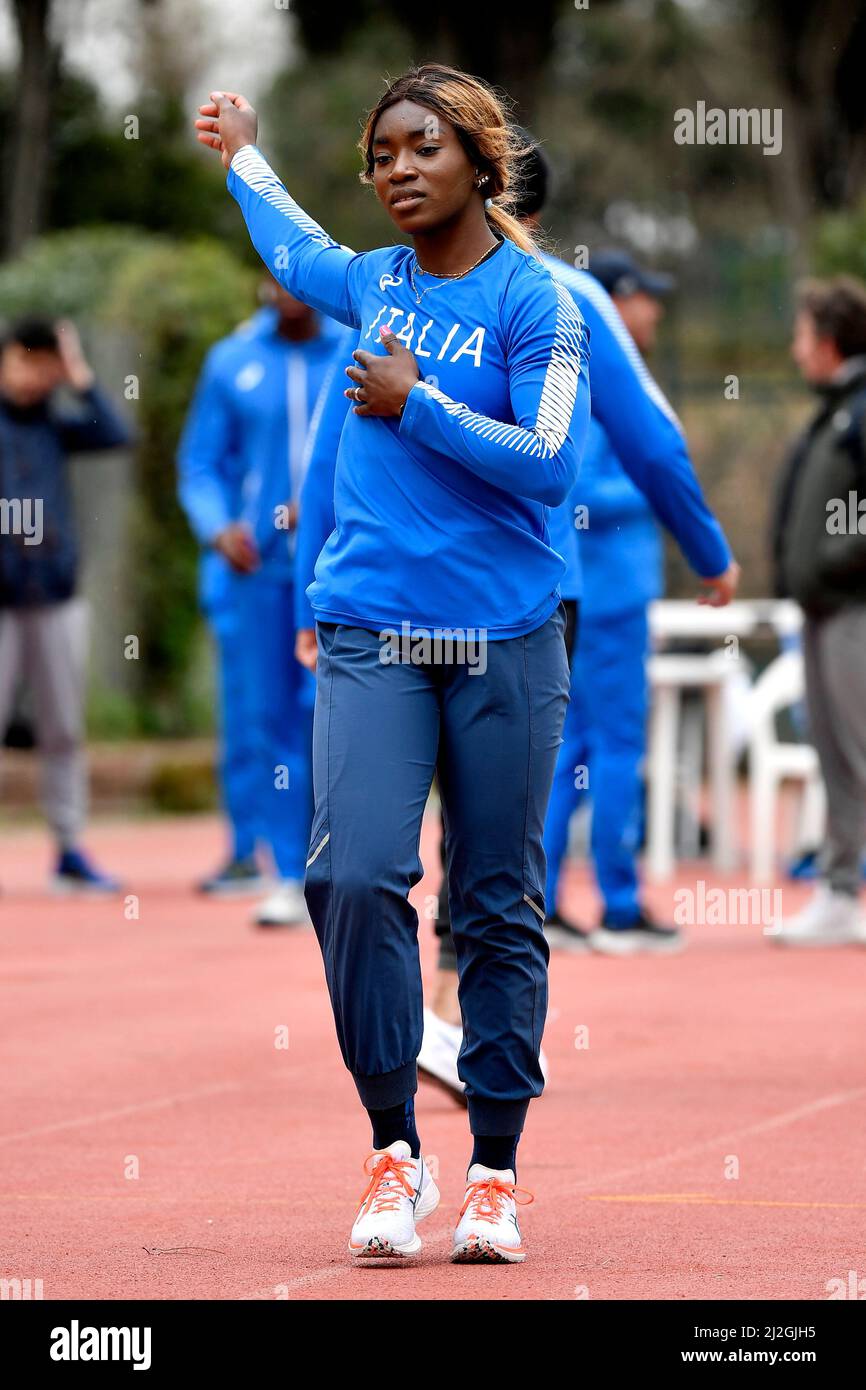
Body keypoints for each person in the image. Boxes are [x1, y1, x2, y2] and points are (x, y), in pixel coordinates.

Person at [196, 64, 591, 1265]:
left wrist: (416, 402)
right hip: (371, 631)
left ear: (479, 158)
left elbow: (548, 460)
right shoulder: (370, 284)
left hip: (504, 638)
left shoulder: (541, 305)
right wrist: (244, 157)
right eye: (379, 156)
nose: (396, 170)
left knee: (494, 904)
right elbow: (297, 240)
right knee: (352, 877)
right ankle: (392, 1150)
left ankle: (493, 1174)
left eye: (421, 147)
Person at [415, 144, 739, 1097]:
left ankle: (443, 1002)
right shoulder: (571, 298)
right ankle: (583, 932)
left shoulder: (412, 290)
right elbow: (655, 440)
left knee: (466, 786)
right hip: (560, 573)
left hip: (438, 582)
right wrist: (711, 550)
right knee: (567, 759)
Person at [178, 281, 343, 925]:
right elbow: (199, 464)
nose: (285, 290)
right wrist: (218, 526)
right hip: (258, 572)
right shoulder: (232, 359)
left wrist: (329, 502)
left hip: (337, 567)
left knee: (331, 720)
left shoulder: (356, 344)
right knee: (266, 718)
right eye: (272, 276)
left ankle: (344, 866)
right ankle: (287, 870)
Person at [544, 250, 677, 957]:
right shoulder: (598, 375)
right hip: (610, 593)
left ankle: (551, 901)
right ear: (616, 303)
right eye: (645, 298)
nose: (653, 311)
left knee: (574, 750)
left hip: (590, 589)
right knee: (615, 747)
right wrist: (664, 489)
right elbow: (582, 484)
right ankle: (619, 906)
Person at [0, 317, 130, 891]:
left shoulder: (56, 423)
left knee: (63, 729)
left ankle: (69, 847)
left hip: (55, 596)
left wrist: (79, 375)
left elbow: (116, 433)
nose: (32, 373)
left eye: (43, 361)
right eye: (23, 359)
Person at [770, 275, 866, 946]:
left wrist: (836, 558)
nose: (796, 349)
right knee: (834, 756)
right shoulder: (836, 407)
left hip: (855, 608)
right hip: (824, 609)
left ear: (830, 342)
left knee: (859, 754)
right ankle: (837, 891)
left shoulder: (861, 409)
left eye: (804, 335)